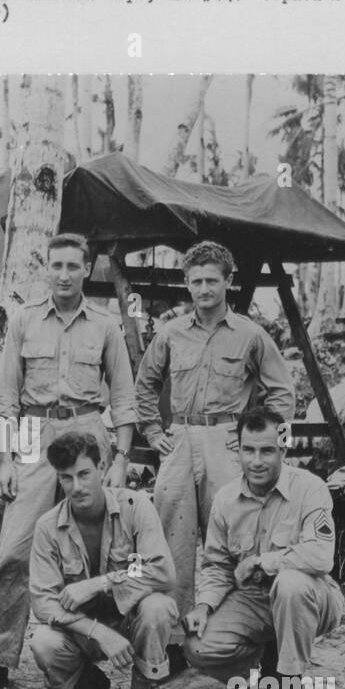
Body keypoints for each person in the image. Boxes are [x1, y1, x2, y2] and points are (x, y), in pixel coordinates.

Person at [0, 233, 137, 689]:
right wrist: (6, 460)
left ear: (87, 269)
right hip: (33, 434)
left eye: (74, 266)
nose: (65, 275)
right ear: (46, 268)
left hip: (88, 431)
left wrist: (121, 460)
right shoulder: (24, 320)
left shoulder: (107, 325)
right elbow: (7, 397)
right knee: (15, 548)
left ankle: (89, 654)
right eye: (57, 266)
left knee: (94, 549)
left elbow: (126, 397)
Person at [133, 239, 294, 665]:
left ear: (228, 282)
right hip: (181, 441)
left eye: (212, 280)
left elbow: (281, 391)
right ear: (187, 284)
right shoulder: (170, 334)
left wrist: (257, 441)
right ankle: (171, 642)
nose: (204, 288)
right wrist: (153, 431)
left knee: (237, 537)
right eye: (196, 281)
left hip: (227, 442)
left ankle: (243, 635)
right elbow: (145, 384)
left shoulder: (251, 335)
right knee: (172, 540)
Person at [183, 407, 345, 689]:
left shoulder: (309, 489)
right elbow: (216, 564)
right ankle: (264, 663)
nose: (256, 461)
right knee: (197, 647)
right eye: (249, 450)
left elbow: (319, 556)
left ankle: (289, 683)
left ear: (283, 448)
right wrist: (204, 605)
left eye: (267, 450)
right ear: (238, 450)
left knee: (289, 584)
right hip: (255, 602)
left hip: (311, 596)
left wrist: (262, 562)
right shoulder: (226, 499)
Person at [29, 431, 178, 689]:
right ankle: (87, 688)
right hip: (83, 628)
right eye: (67, 478)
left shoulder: (135, 507)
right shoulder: (48, 527)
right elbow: (43, 602)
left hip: (129, 618)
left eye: (84, 473)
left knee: (158, 608)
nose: (77, 486)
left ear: (101, 468)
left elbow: (160, 569)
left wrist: (102, 583)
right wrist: (97, 632)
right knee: (43, 642)